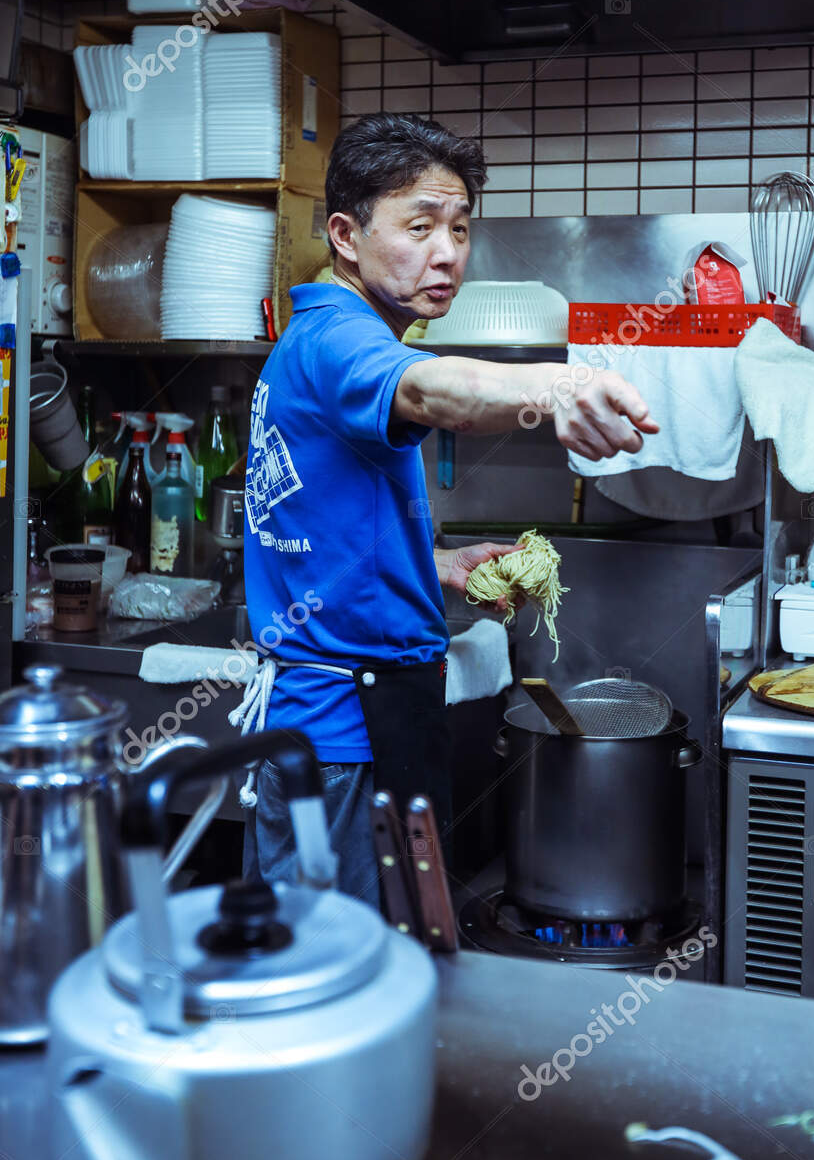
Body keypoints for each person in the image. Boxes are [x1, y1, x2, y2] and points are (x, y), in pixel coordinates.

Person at [241, 111, 658, 903]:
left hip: (363, 716)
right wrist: (556, 386)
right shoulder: (342, 341)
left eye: (460, 229)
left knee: (387, 961)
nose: (446, 252)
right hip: (342, 730)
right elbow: (434, 389)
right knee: (344, 978)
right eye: (419, 225)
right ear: (344, 233)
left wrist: (433, 566)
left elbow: (318, 533)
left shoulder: (325, 337)